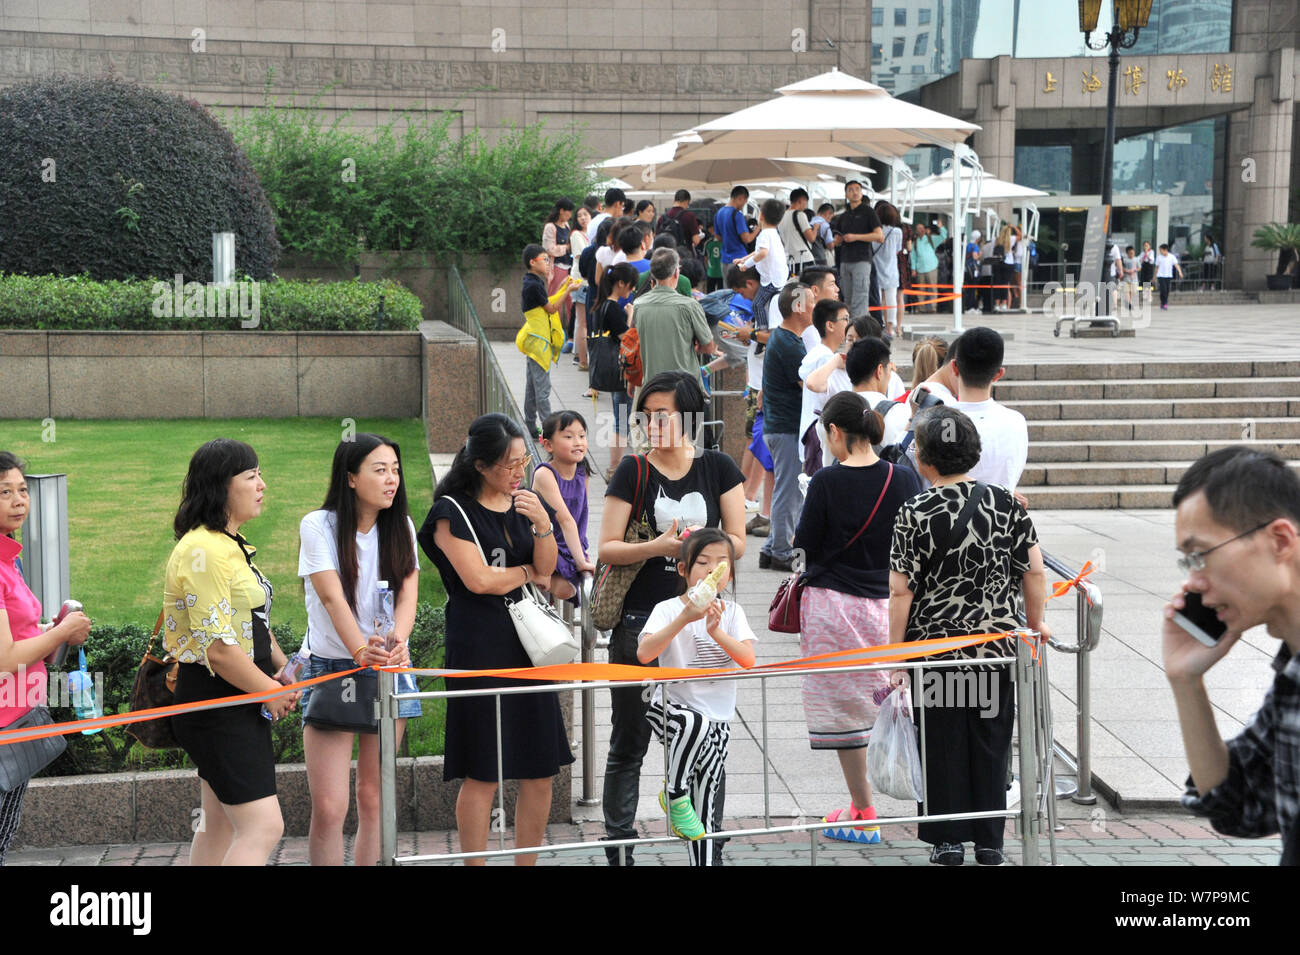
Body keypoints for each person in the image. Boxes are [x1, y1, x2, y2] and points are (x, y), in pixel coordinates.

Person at [888, 406, 1049, 865]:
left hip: (937, 653)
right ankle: (990, 841)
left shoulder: (914, 512)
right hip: (995, 651)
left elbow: (901, 593)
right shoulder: (1005, 503)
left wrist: (894, 655)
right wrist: (1034, 624)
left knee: (942, 741)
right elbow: (1034, 572)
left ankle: (947, 841)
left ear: (924, 460)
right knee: (991, 739)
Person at [598, 371, 746, 864]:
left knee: (710, 736)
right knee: (630, 738)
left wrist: (704, 550)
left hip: (705, 622)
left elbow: (739, 542)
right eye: (647, 415)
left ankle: (710, 845)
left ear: (690, 417)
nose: (654, 423)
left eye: (664, 414)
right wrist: (659, 547)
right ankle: (619, 845)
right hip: (645, 622)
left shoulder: (719, 467)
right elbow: (608, 548)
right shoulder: (633, 471)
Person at [417, 413, 570, 866]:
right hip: (479, 643)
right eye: (509, 465)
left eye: (524, 462)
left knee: (541, 770)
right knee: (483, 771)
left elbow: (548, 566)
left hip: (529, 645)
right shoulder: (451, 511)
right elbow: (479, 580)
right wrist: (526, 573)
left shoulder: (524, 501)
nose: (519, 473)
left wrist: (542, 522)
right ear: (479, 464)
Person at [793, 393, 923, 840]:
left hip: (834, 607)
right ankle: (927, 803)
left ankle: (864, 813)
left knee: (845, 713)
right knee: (896, 701)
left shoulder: (826, 482)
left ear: (834, 433)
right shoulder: (904, 478)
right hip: (891, 605)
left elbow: (804, 540)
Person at [164, 438, 300, 866]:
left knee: (219, 824)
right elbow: (218, 649)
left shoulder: (229, 543)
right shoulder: (203, 549)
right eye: (251, 476)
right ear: (221, 486)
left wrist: (282, 669)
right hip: (217, 702)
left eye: (259, 474)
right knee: (263, 826)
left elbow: (251, 622)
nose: (262, 484)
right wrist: (268, 690)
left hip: (237, 697)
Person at [1164, 447, 1300, 863]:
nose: (1195, 581)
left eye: (1201, 554)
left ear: (1279, 540)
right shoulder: (1291, 675)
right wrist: (1185, 681)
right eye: (1188, 561)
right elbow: (1236, 805)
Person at [299, 434, 419, 867]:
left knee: (375, 797)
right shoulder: (318, 525)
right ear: (350, 478)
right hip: (334, 667)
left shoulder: (400, 525)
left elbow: (408, 595)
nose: (392, 480)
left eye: (395, 470)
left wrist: (397, 643)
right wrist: (358, 650)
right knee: (331, 807)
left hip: (391, 669)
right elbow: (332, 598)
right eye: (379, 469)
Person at [637, 528, 755, 865]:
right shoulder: (667, 608)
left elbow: (747, 660)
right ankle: (673, 792)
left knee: (702, 815)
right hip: (672, 712)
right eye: (702, 563)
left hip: (718, 723)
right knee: (695, 721)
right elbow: (645, 653)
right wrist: (685, 618)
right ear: (684, 570)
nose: (711, 570)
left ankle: (699, 855)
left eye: (722, 563)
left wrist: (716, 632)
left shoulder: (732, 613)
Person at [0, 452, 91, 866]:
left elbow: (21, 637)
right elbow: (5, 659)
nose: (19, 500)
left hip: (19, 713)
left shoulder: (9, 558)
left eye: (22, 490)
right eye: (4, 492)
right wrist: (60, 633)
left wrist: (56, 630)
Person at [760, 281, 811, 572]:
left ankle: (770, 547)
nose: (814, 308)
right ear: (798, 307)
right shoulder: (789, 343)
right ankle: (781, 550)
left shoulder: (786, 339)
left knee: (787, 487)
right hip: (786, 426)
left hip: (781, 425)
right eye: (811, 302)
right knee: (789, 490)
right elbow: (809, 384)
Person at [950, 327, 1029, 492]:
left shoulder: (938, 421)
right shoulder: (1016, 422)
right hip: (1001, 515)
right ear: (999, 374)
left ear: (955, 367)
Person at [517, 243, 581, 435]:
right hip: (538, 344)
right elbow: (552, 309)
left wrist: (562, 288)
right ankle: (549, 432)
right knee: (542, 390)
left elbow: (546, 303)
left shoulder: (533, 282)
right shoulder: (533, 284)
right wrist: (567, 292)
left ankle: (530, 426)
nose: (548, 263)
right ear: (532, 262)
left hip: (535, 341)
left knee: (532, 389)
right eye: (544, 260)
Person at [631, 247, 715, 390]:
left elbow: (634, 341)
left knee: (657, 414)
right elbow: (709, 347)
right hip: (685, 386)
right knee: (690, 414)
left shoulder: (639, 305)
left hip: (652, 385)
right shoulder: (690, 306)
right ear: (676, 272)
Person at [533, 410, 594, 601]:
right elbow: (566, 519)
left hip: (570, 543)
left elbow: (582, 512)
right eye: (569, 436)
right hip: (545, 542)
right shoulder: (545, 473)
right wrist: (580, 562)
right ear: (548, 444)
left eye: (582, 436)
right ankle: (532, 578)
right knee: (568, 589)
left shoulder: (582, 471)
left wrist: (581, 551)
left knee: (581, 585)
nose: (578, 442)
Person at [588, 261, 638, 475]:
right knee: (622, 418)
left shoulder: (600, 305)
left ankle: (614, 466)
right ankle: (614, 468)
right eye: (631, 285)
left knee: (620, 417)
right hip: (620, 370)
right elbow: (626, 339)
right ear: (620, 283)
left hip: (605, 366)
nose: (632, 290)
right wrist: (631, 315)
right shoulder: (614, 309)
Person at [797, 298, 850, 476]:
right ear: (830, 325)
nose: (848, 325)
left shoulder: (819, 354)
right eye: (845, 319)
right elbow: (817, 385)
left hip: (816, 431)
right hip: (819, 433)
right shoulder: (826, 358)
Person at [737, 199, 789, 332]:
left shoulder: (764, 234)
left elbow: (763, 253)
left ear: (761, 216)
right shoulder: (774, 233)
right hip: (780, 278)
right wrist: (743, 259)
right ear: (780, 220)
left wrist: (746, 265)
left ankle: (762, 329)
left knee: (757, 305)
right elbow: (758, 251)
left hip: (771, 280)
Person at [834, 180, 883, 317]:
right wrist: (837, 240)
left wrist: (855, 237)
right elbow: (836, 240)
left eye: (857, 189)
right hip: (844, 260)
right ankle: (849, 330)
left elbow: (879, 236)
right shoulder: (843, 216)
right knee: (847, 300)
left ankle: (859, 331)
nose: (855, 192)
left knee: (860, 299)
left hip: (862, 260)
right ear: (846, 194)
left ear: (861, 193)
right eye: (851, 190)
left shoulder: (869, 212)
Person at [873, 201, 904, 335]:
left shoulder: (874, 231)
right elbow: (898, 250)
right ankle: (890, 329)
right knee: (892, 299)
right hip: (891, 269)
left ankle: (878, 326)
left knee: (877, 299)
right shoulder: (897, 231)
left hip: (876, 267)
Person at [569, 205, 592, 369]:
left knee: (584, 323)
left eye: (586, 214)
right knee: (582, 323)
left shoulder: (589, 234)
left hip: (587, 281)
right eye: (579, 216)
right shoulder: (576, 234)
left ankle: (583, 357)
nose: (583, 218)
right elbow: (581, 254)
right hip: (580, 281)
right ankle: (582, 360)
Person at [715, 185, 759, 269]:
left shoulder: (718, 213)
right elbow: (747, 239)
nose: (743, 205)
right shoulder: (738, 215)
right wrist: (758, 228)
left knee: (727, 282)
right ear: (740, 198)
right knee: (740, 282)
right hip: (739, 259)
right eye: (744, 202)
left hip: (724, 259)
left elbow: (718, 237)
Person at [778, 187, 818, 276]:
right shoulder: (800, 215)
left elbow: (782, 241)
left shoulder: (781, 217)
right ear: (801, 200)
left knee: (794, 288)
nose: (805, 206)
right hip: (804, 259)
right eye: (805, 203)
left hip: (789, 260)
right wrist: (815, 228)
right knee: (807, 288)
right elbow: (811, 238)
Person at [1156, 243, 1183, 310]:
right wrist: (1154, 276)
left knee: (1167, 290)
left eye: (1161, 250)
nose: (1160, 251)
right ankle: (1165, 303)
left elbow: (1176, 265)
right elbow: (1156, 267)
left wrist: (1180, 272)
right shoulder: (1159, 257)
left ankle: (1163, 302)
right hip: (1161, 276)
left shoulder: (1172, 257)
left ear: (1165, 250)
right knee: (1163, 290)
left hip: (1168, 276)